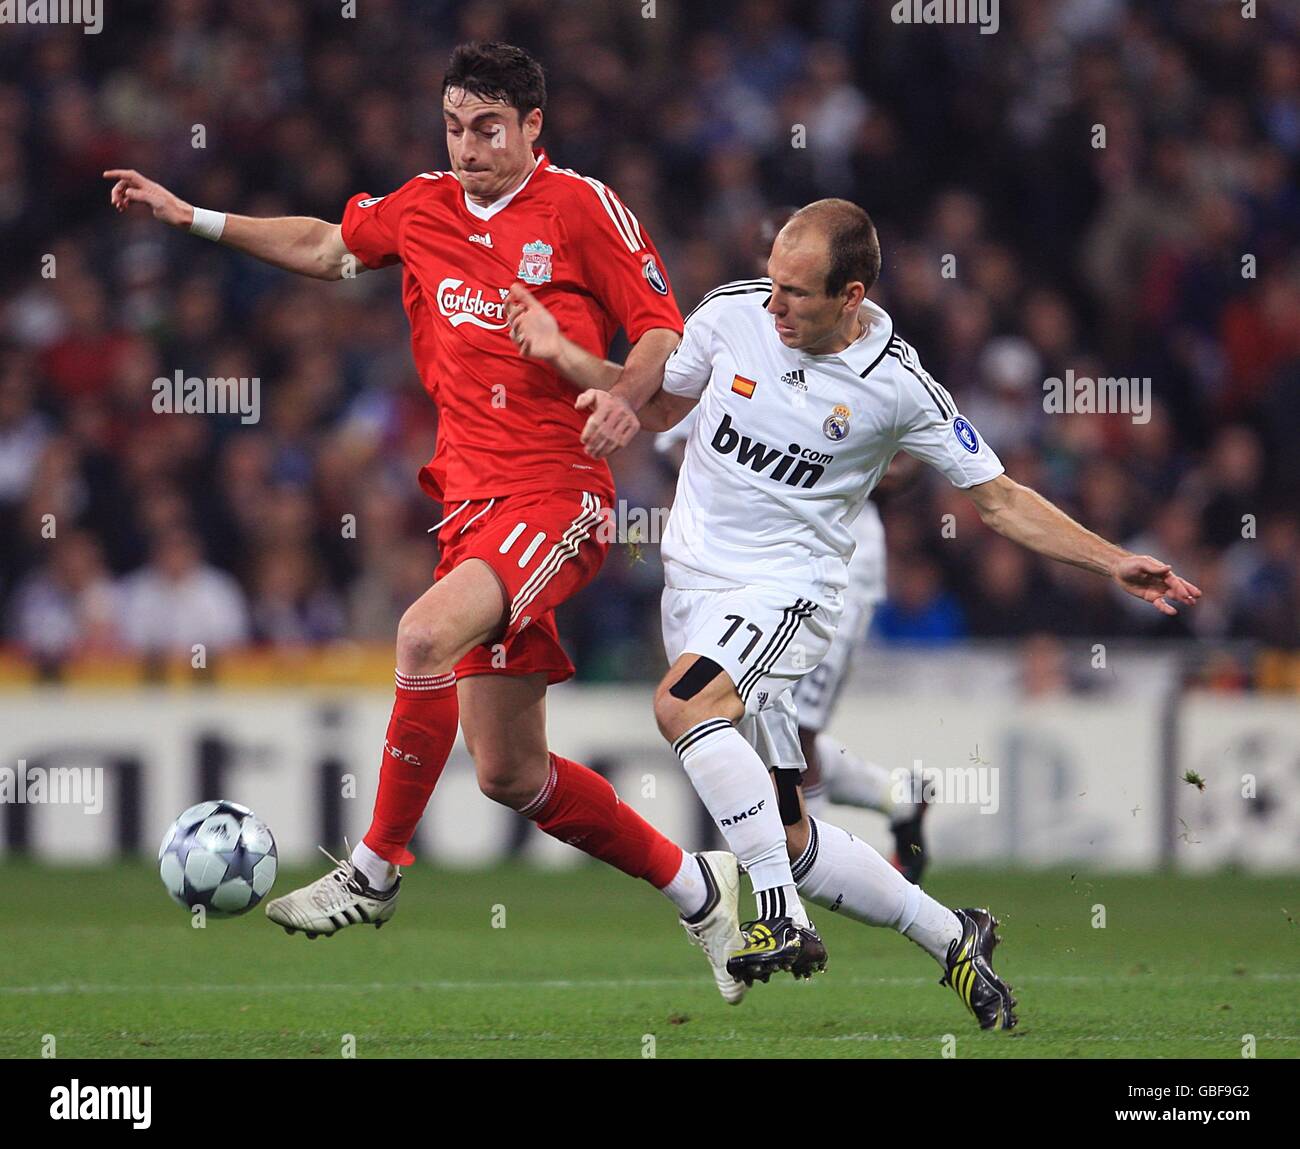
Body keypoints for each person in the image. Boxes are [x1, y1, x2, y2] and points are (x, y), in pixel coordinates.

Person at [105, 41, 748, 1004]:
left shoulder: (582, 206)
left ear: (534, 126)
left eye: (488, 128)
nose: (467, 147)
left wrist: (623, 395)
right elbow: (327, 246)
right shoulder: (422, 205)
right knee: (510, 774)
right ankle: (700, 887)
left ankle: (374, 869)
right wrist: (190, 215)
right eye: (454, 125)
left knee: (420, 633)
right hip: (469, 504)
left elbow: (660, 325)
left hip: (558, 493)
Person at [505, 198, 1202, 1030]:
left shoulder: (897, 384)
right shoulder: (733, 313)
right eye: (772, 283)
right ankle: (953, 934)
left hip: (785, 593)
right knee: (793, 837)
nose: (775, 306)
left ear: (851, 293)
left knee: (681, 707)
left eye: (795, 293)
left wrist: (1114, 558)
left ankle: (774, 911)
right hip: (692, 592)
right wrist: (566, 356)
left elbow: (1001, 499)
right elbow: (657, 406)